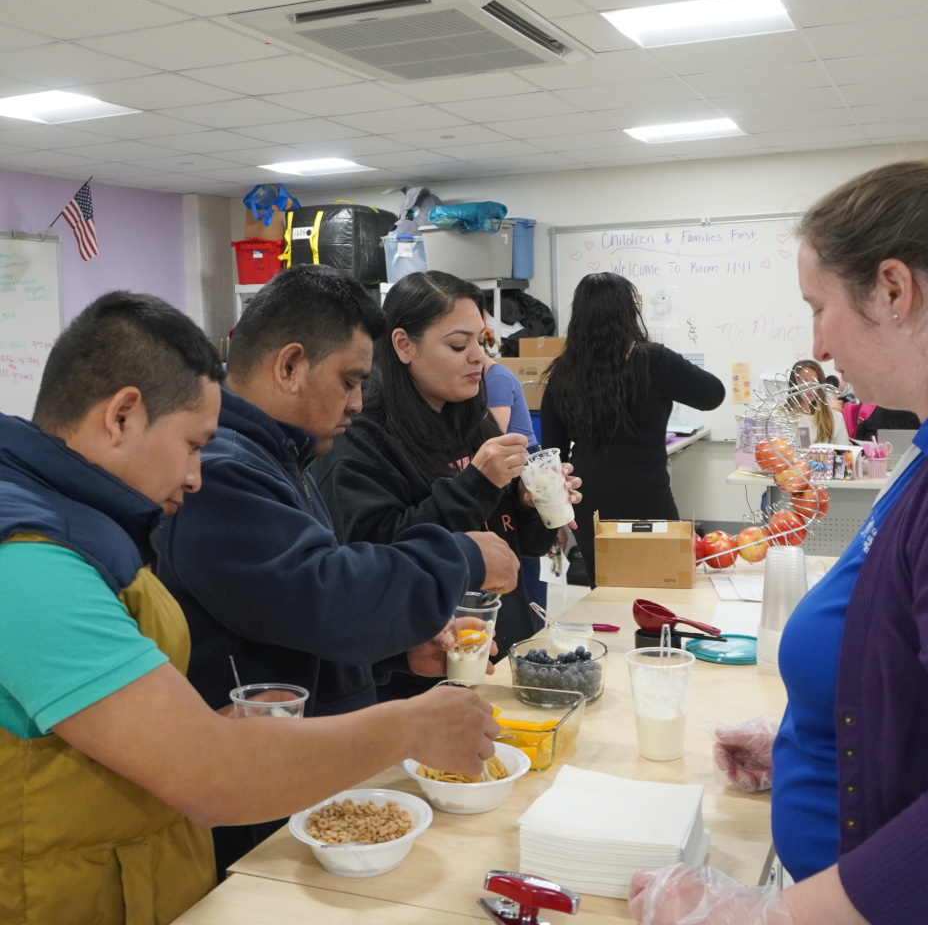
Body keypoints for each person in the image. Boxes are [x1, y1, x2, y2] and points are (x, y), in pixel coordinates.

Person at [0, 292, 499, 925]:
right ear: (123, 415)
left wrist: (216, 721)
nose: (197, 477)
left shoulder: (82, 529)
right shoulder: (29, 564)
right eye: (191, 445)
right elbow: (209, 774)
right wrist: (414, 726)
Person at [629, 127, 928, 925]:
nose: (815, 345)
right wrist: (826, 744)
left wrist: (752, 919)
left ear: (892, 290)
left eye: (819, 309)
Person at [152, 266, 517, 872]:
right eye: (350, 380)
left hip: (298, 765)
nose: (357, 400)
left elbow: (288, 612)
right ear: (290, 366)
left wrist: (395, 653)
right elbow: (325, 596)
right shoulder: (224, 469)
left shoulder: (282, 455)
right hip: (252, 788)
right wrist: (462, 555)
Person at [313, 271, 579, 697]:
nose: (479, 357)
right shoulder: (362, 436)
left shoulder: (473, 416)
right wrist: (475, 482)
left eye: (482, 341)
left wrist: (532, 505)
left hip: (502, 653)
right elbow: (376, 555)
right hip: (422, 676)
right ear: (403, 345)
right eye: (458, 345)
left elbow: (516, 545)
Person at [540, 272, 725, 586]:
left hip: (588, 504)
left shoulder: (563, 373)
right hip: (647, 500)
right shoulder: (654, 360)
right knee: (664, 590)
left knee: (607, 592)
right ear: (628, 313)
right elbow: (713, 394)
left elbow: (551, 455)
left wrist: (556, 518)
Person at [481, 330, 548, 620]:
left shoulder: (495, 378)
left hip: (518, 466)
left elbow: (492, 437)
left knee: (523, 564)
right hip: (511, 464)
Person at [786, 358, 850, 445]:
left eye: (814, 382)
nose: (810, 388)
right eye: (804, 382)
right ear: (794, 385)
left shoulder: (836, 418)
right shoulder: (780, 416)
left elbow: (845, 453)